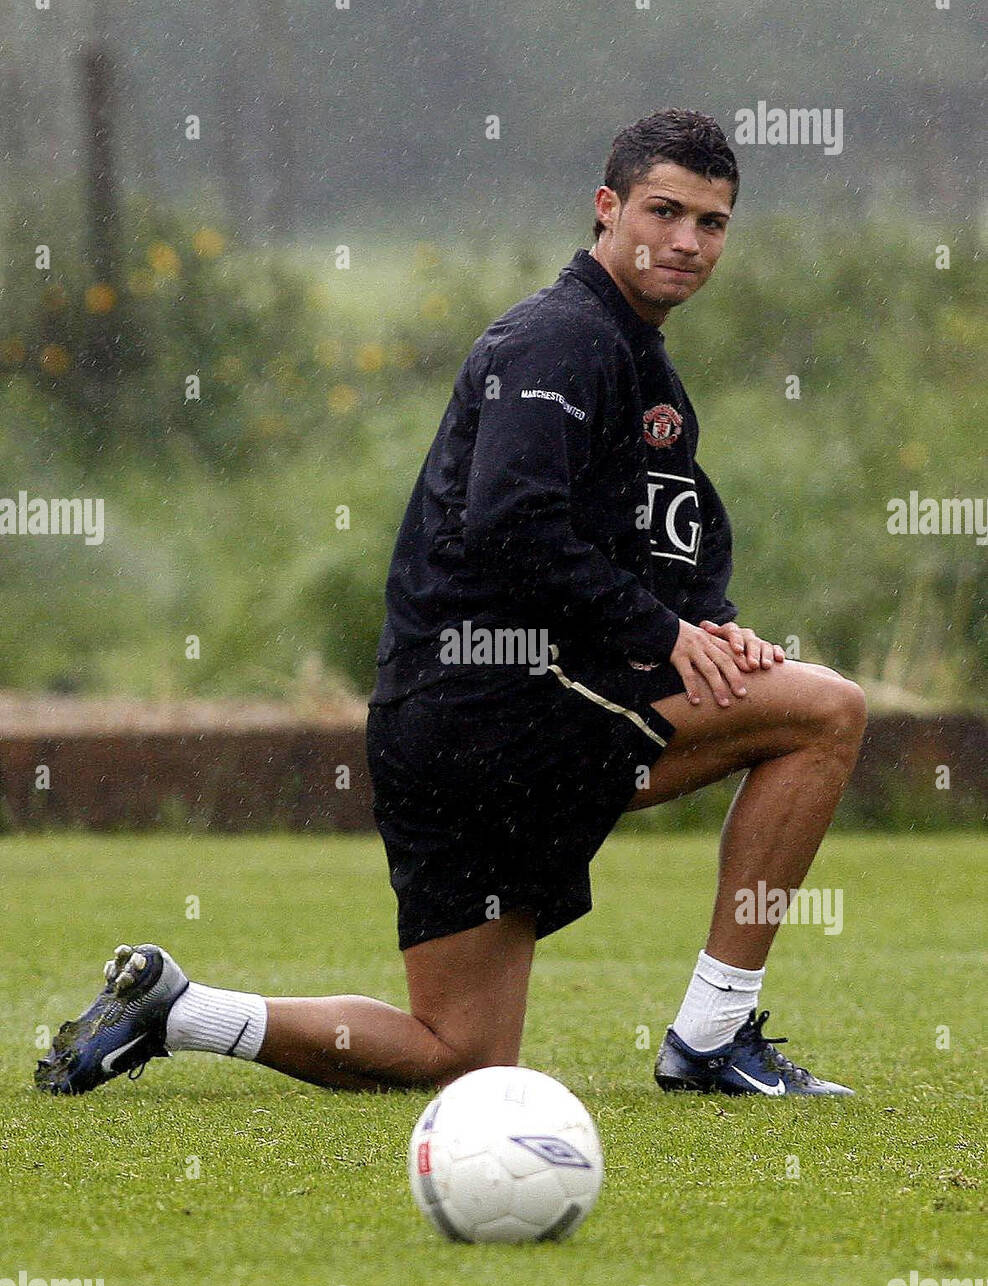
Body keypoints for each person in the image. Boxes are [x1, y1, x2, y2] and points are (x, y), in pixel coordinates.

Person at [37, 109, 866, 1101]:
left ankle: (178, 1009)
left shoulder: (642, 372)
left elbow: (661, 549)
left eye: (712, 222)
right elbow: (511, 525)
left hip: (443, 727)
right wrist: (663, 635)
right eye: (664, 211)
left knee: (459, 1050)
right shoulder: (562, 338)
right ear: (607, 210)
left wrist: (707, 622)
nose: (687, 241)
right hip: (500, 706)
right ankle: (713, 1038)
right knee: (826, 713)